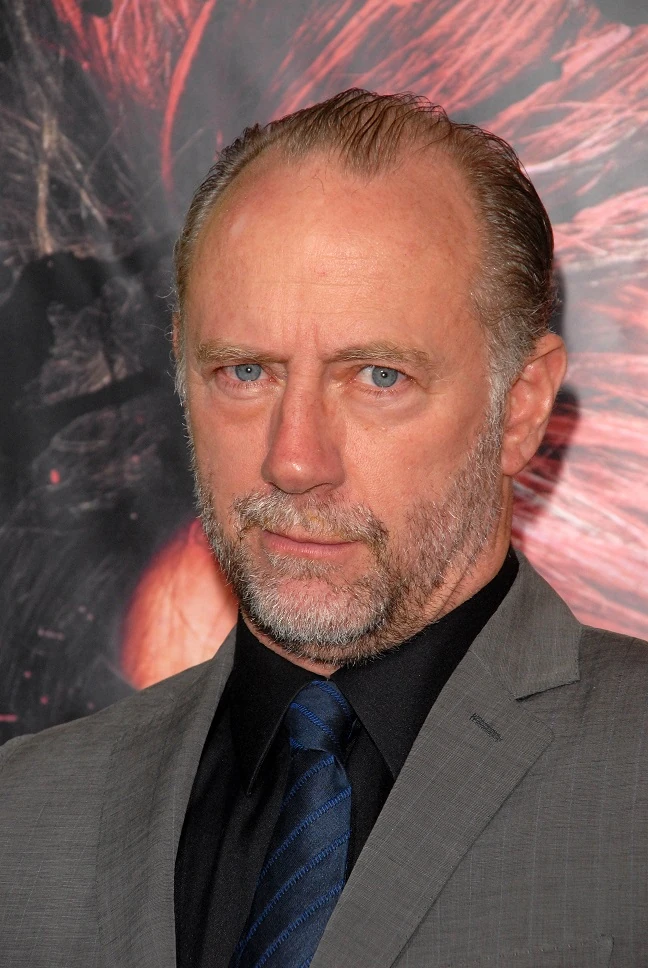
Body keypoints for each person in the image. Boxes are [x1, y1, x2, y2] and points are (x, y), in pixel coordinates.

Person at [0, 89, 645, 968]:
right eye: (246, 371)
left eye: (378, 376)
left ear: (522, 407)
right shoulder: (27, 816)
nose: (294, 460)